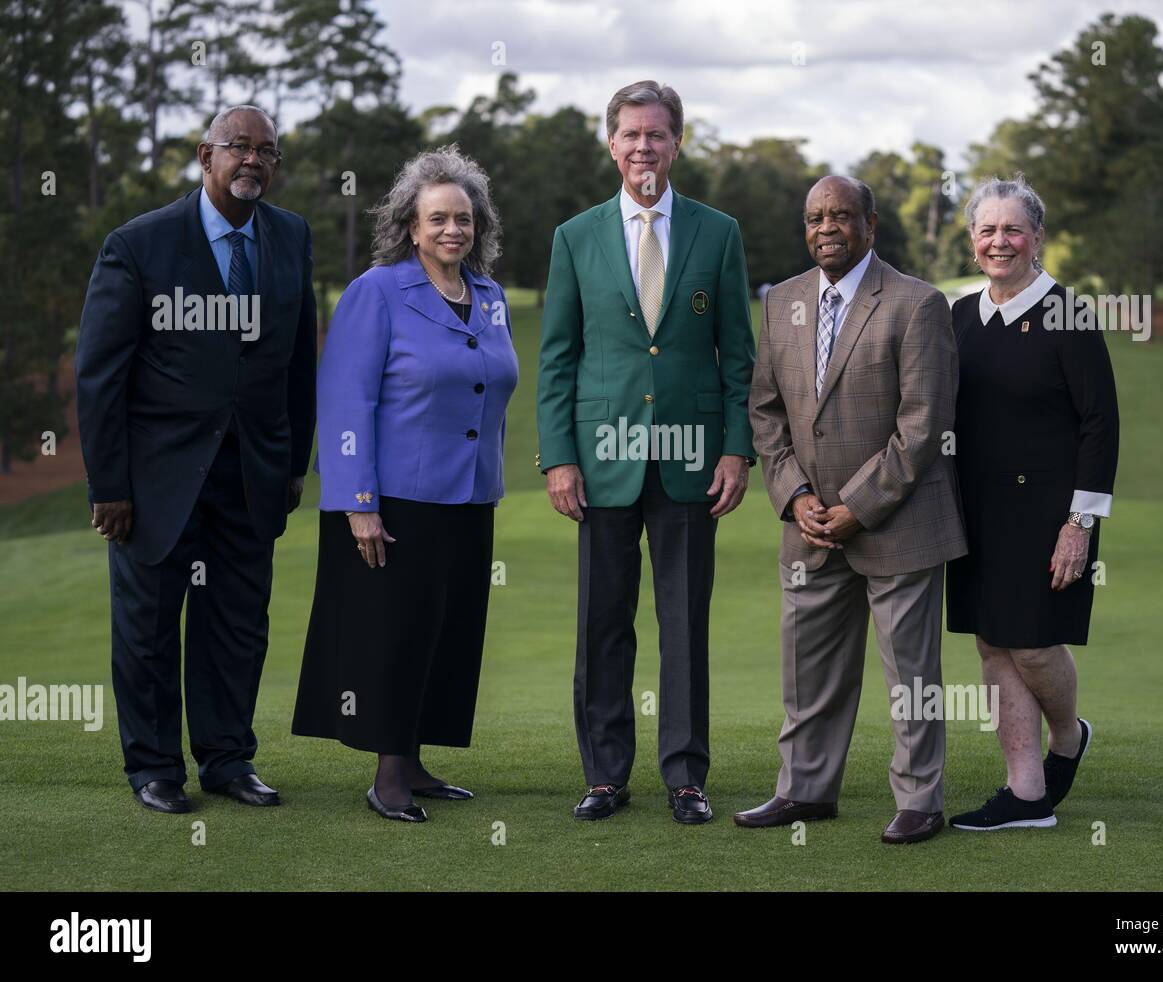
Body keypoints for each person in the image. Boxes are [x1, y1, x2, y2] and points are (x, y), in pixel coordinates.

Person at [76, 105, 316, 814]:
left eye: (266, 151)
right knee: (147, 627)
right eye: (238, 147)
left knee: (238, 625)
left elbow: (299, 359)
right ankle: (153, 768)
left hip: (252, 475)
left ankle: (228, 761)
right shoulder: (139, 244)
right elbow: (99, 376)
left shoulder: (291, 235)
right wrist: (109, 484)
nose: (253, 161)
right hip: (156, 482)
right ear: (205, 156)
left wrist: (295, 462)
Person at [536, 80, 756, 824]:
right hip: (602, 459)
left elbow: (739, 356)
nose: (643, 147)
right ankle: (605, 775)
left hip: (693, 461)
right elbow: (557, 358)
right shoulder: (576, 237)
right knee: (602, 622)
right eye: (630, 134)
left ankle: (686, 778)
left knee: (684, 623)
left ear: (677, 142)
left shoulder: (718, 232)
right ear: (611, 144)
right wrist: (558, 456)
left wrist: (736, 451)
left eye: (656, 134)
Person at [292, 147, 518, 824]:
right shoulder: (377, 292)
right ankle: (387, 774)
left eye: (464, 218)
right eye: (438, 219)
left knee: (446, 631)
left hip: (471, 496)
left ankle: (415, 762)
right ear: (411, 227)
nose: (454, 229)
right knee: (394, 631)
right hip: (395, 502)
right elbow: (345, 401)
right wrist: (357, 503)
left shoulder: (491, 297)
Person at [739, 175, 966, 844]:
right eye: (814, 217)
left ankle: (921, 801)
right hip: (809, 528)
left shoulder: (916, 303)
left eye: (841, 215)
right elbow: (764, 410)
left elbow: (925, 424)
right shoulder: (781, 302)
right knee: (807, 672)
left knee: (911, 677)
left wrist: (857, 506)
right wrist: (795, 496)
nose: (826, 228)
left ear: (871, 224)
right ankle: (805, 790)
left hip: (896, 522)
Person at [946, 174, 1119, 831]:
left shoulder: (1069, 316)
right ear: (972, 242)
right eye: (987, 230)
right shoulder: (960, 316)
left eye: (1013, 229)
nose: (1000, 241)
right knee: (993, 645)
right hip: (975, 513)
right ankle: (1026, 795)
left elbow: (1101, 424)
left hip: (1052, 515)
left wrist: (1080, 524)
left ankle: (1068, 736)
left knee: (1035, 646)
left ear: (1037, 238)